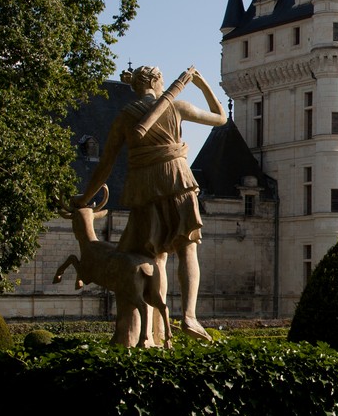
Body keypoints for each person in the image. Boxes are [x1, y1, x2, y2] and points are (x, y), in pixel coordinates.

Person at [74, 65, 227, 342]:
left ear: (134, 86)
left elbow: (105, 165)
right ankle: (189, 317)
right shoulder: (176, 106)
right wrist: (203, 84)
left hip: (145, 187)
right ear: (157, 82)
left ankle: (152, 333)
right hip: (178, 179)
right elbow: (220, 118)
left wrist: (84, 199)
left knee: (155, 257)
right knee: (187, 249)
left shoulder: (124, 116)